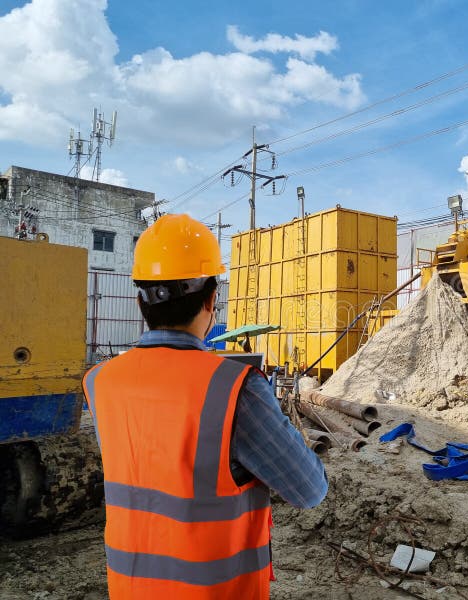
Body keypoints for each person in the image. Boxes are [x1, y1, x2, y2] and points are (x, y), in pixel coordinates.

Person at [83, 214, 327, 599]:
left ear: (140, 301)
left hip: (129, 587)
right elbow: (309, 489)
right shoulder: (234, 388)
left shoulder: (100, 381)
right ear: (212, 300)